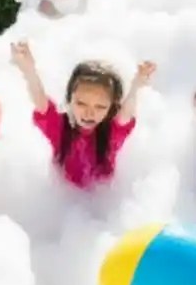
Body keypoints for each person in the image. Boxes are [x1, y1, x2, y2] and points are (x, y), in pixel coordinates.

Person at [9, 41, 154, 189]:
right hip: (62, 195)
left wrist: (136, 86)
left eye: (100, 106)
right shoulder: (60, 128)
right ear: (70, 100)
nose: (89, 112)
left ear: (111, 108)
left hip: (102, 197)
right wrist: (29, 70)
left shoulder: (111, 134)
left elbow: (125, 115)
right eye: (81, 103)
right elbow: (41, 103)